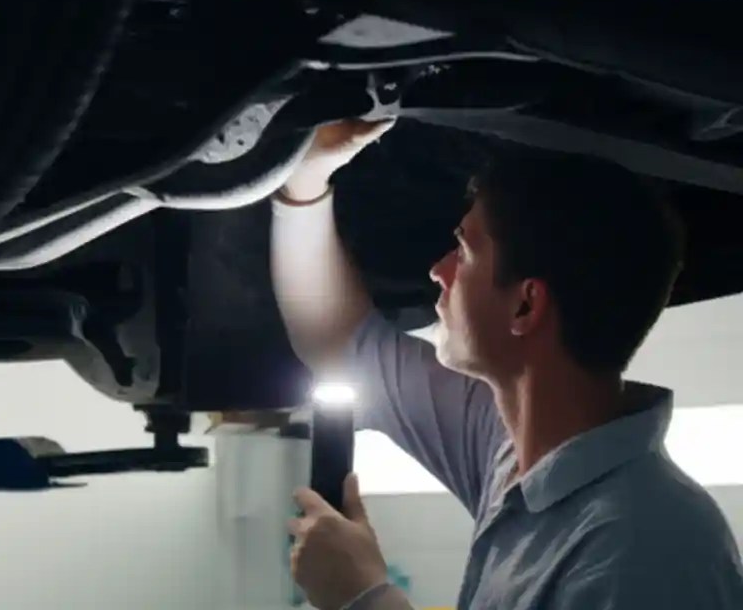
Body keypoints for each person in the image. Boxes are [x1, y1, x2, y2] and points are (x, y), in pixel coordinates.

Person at [272, 118, 743, 610]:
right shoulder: (508, 448)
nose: (438, 271)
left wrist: (363, 597)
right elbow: (340, 341)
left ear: (525, 305)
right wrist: (304, 182)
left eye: (464, 251)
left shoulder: (649, 549)